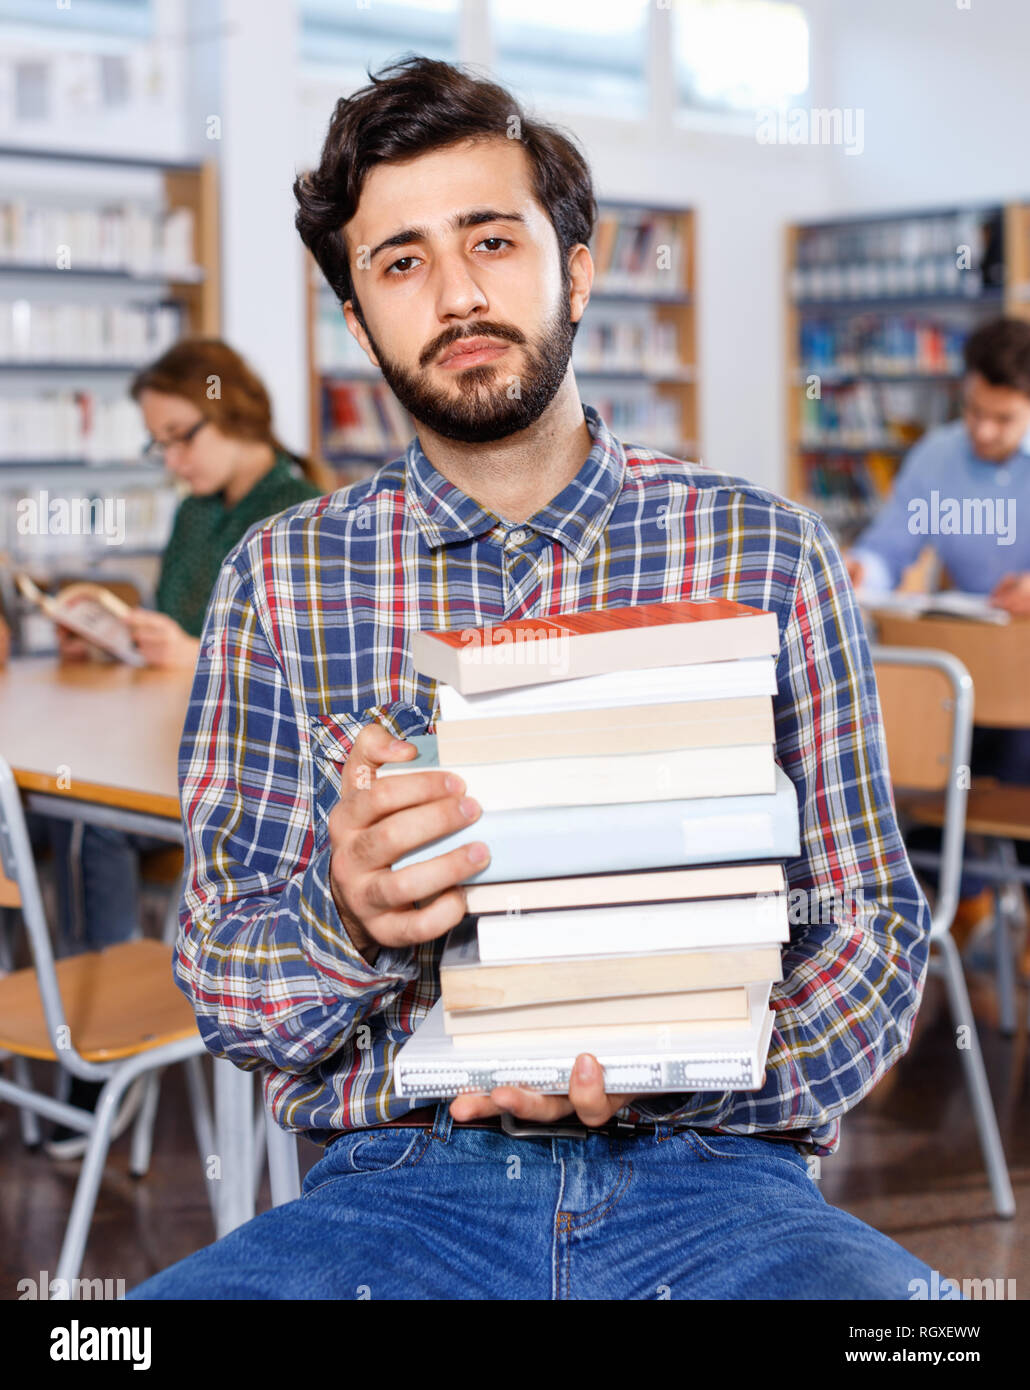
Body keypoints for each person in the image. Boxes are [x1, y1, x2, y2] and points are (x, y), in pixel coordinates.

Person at [130, 57, 943, 1301]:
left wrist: (701, 1070)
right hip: (401, 1185)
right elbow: (227, 978)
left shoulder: (768, 550)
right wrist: (343, 917)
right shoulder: (279, 578)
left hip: (716, 1177)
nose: (455, 293)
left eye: (492, 240)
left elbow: (875, 930)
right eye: (399, 262)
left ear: (576, 261)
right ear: (357, 318)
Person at [42, 339, 326, 1159]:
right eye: (156, 443)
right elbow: (176, 626)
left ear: (232, 412)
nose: (171, 461)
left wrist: (192, 650)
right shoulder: (195, 511)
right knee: (69, 820)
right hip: (168, 743)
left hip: (249, 776)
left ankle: (105, 1057)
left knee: (91, 828)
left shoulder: (294, 510)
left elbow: (296, 670)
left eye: (180, 437)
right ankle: (88, 1026)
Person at [846, 318, 1030, 948]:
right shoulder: (937, 457)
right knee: (908, 763)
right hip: (960, 680)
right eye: (974, 410)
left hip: (1022, 691)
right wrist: (862, 568)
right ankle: (964, 901)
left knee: (1012, 757)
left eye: (1003, 419)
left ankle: (996, 896)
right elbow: (890, 546)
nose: (983, 430)